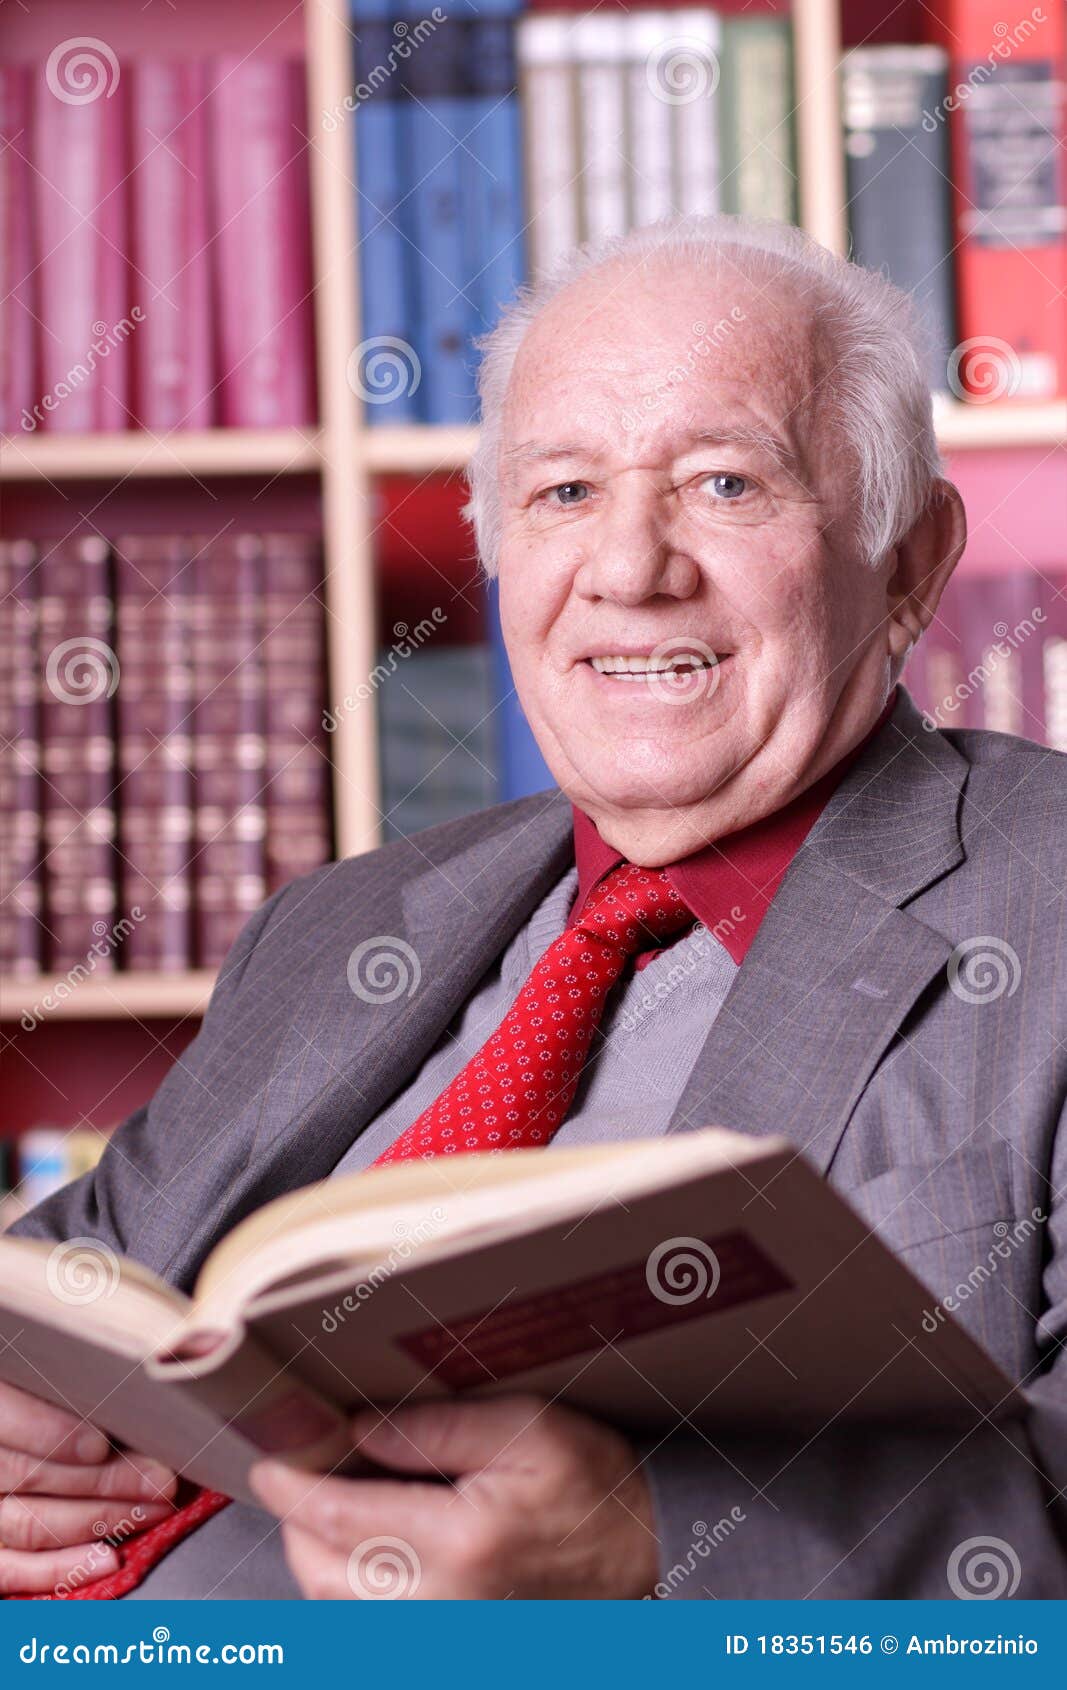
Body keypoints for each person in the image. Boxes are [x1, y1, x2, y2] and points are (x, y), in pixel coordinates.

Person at [3, 216, 1065, 1600]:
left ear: (911, 561)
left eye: (726, 483)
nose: (629, 569)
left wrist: (649, 1544)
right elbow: (73, 1287)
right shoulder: (337, 929)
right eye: (563, 491)